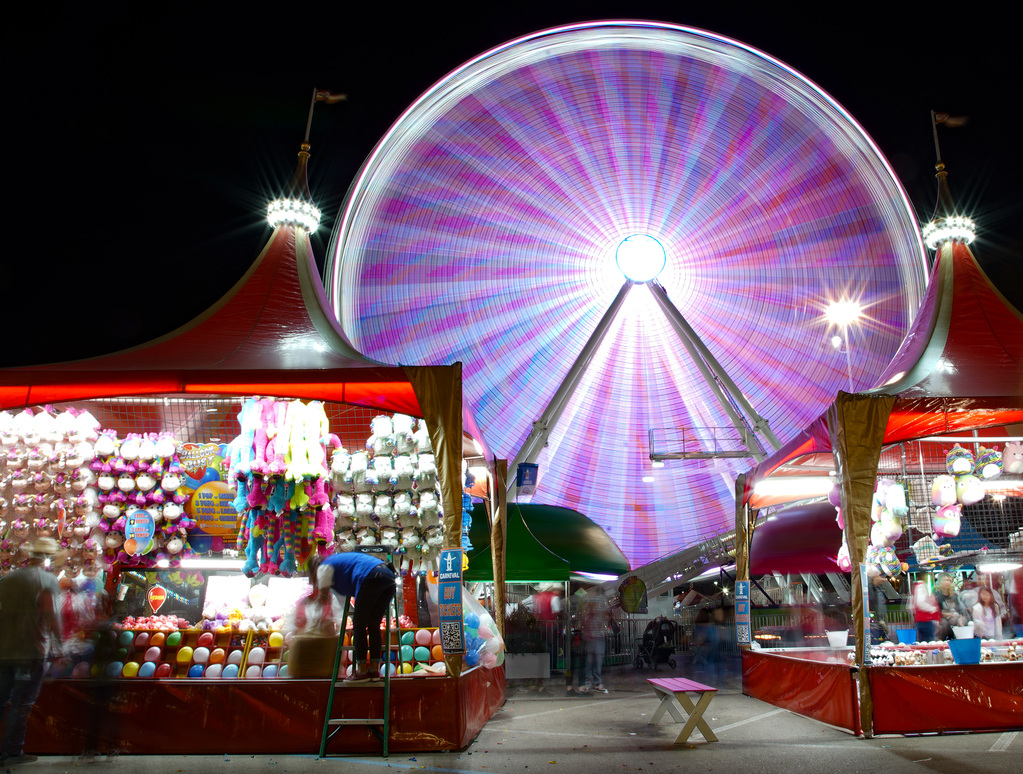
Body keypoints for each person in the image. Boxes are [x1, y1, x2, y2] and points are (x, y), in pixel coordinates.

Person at [0, 537, 63, 765]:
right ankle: (13, 752)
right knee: (21, 703)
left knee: (1, 700)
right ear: (49, 559)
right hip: (31, 650)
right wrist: (59, 647)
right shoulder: (47, 580)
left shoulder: (8, 579)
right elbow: (51, 615)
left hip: (4, 649)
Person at [307, 551, 397, 683]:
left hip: (371, 576)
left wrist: (313, 625)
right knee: (373, 625)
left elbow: (323, 599)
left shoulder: (324, 567)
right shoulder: (336, 561)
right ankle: (373, 670)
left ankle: (361, 671)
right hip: (388, 576)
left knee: (359, 624)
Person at [578, 598, 609, 694]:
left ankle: (595, 682)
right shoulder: (588, 615)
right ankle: (591, 682)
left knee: (595, 662)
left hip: (595, 639)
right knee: (590, 662)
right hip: (591, 640)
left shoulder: (597, 615)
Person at [934, 573, 968, 640]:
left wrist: (960, 617)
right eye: (944, 580)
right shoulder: (936, 595)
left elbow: (961, 610)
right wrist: (944, 614)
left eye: (948, 580)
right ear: (939, 582)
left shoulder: (955, 595)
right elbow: (935, 611)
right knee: (944, 622)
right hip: (942, 619)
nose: (946, 582)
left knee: (959, 619)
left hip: (955, 617)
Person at [868, 575, 891, 643]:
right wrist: (880, 620)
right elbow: (872, 606)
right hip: (875, 626)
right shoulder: (870, 589)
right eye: (881, 577)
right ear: (875, 577)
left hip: (880, 625)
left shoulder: (879, 589)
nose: (883, 580)